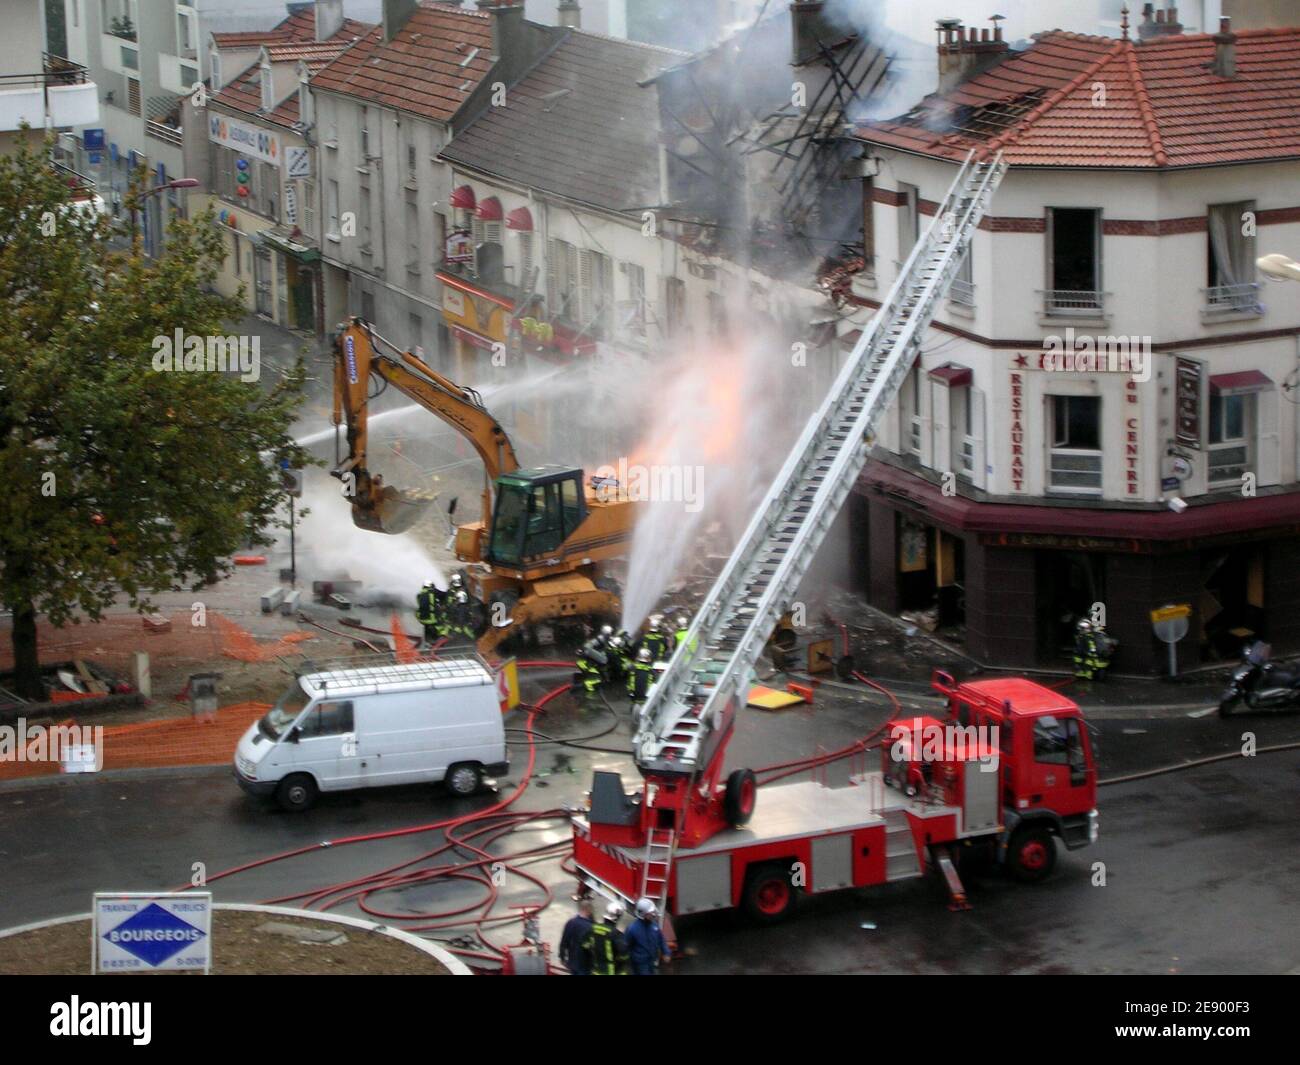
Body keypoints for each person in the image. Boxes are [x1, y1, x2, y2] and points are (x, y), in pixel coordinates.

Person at [624, 898, 671, 976]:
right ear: (643, 914)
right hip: (640, 964)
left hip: (651, 961)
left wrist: (666, 952)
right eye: (650, 913)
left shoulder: (654, 926)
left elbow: (661, 939)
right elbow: (626, 946)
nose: (653, 914)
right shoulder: (632, 929)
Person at [583, 901, 628, 976]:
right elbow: (624, 955)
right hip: (610, 972)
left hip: (595, 971)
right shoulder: (616, 934)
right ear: (618, 917)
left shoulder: (592, 928)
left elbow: (585, 946)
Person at [558, 899, 594, 976]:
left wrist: (562, 957)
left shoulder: (570, 922)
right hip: (585, 965)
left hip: (573, 963)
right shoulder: (590, 926)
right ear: (589, 909)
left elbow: (564, 942)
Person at [414, 579, 445, 648]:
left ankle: (427, 643)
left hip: (422, 619)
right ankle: (439, 643)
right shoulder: (433, 592)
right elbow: (444, 595)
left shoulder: (419, 595)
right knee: (442, 628)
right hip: (432, 619)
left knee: (427, 629)